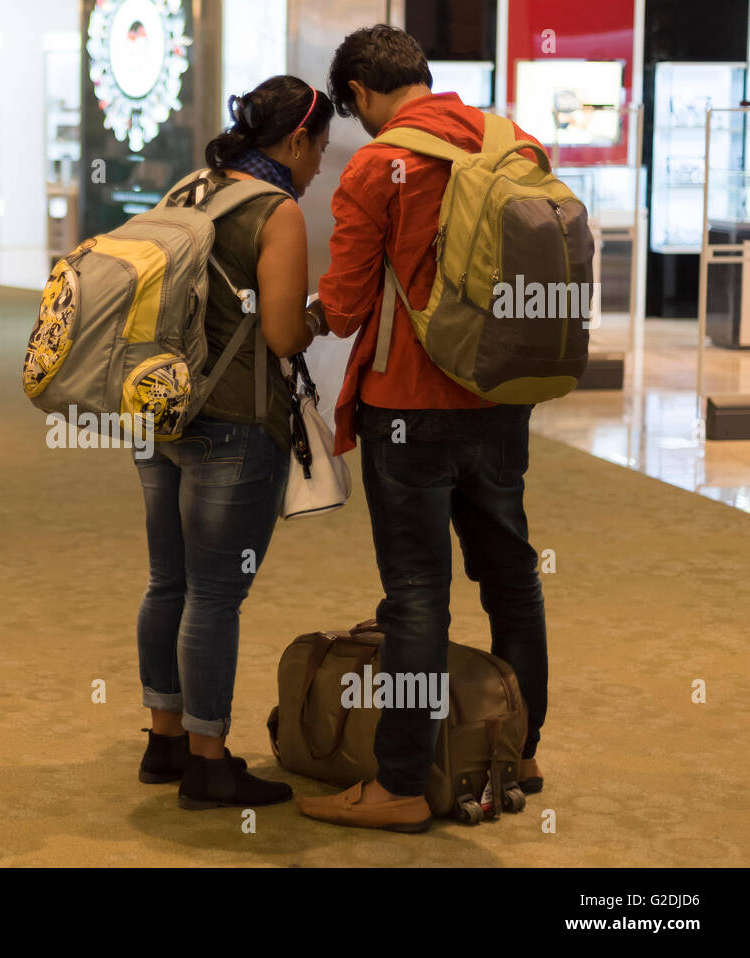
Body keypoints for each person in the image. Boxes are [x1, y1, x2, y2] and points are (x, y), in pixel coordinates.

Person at [298, 25, 548, 832]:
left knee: (415, 595)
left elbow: (341, 304)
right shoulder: (516, 145)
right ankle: (519, 745)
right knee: (511, 573)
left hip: (410, 405)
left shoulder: (377, 166)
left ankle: (401, 780)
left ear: (362, 94)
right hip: (505, 394)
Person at [134, 75, 332, 811]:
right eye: (318, 151)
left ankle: (165, 741)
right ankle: (210, 763)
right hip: (235, 420)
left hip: (162, 411)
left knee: (169, 582)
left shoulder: (189, 188)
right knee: (216, 595)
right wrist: (323, 316)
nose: (318, 168)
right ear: (294, 141)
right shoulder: (275, 211)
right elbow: (282, 334)